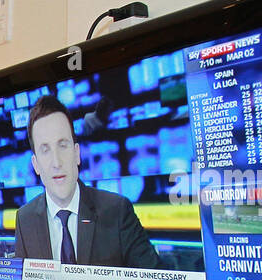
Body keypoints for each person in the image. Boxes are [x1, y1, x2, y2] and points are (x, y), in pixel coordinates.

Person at [12, 95, 161, 269]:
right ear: (35, 164)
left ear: (77, 153)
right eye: (45, 150)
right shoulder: (24, 219)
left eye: (63, 145)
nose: (56, 162)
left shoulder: (118, 211)